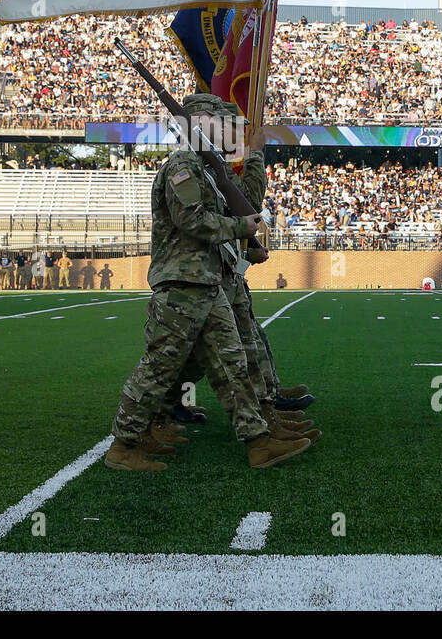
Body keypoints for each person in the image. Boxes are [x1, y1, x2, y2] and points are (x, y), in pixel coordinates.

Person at [105, 92, 310, 473]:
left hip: (206, 282)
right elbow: (191, 220)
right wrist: (239, 227)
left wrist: (241, 243)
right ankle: (124, 444)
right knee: (159, 368)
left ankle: (258, 440)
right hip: (183, 284)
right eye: (221, 120)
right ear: (198, 122)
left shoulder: (202, 167)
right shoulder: (183, 165)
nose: (229, 129)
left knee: (232, 364)